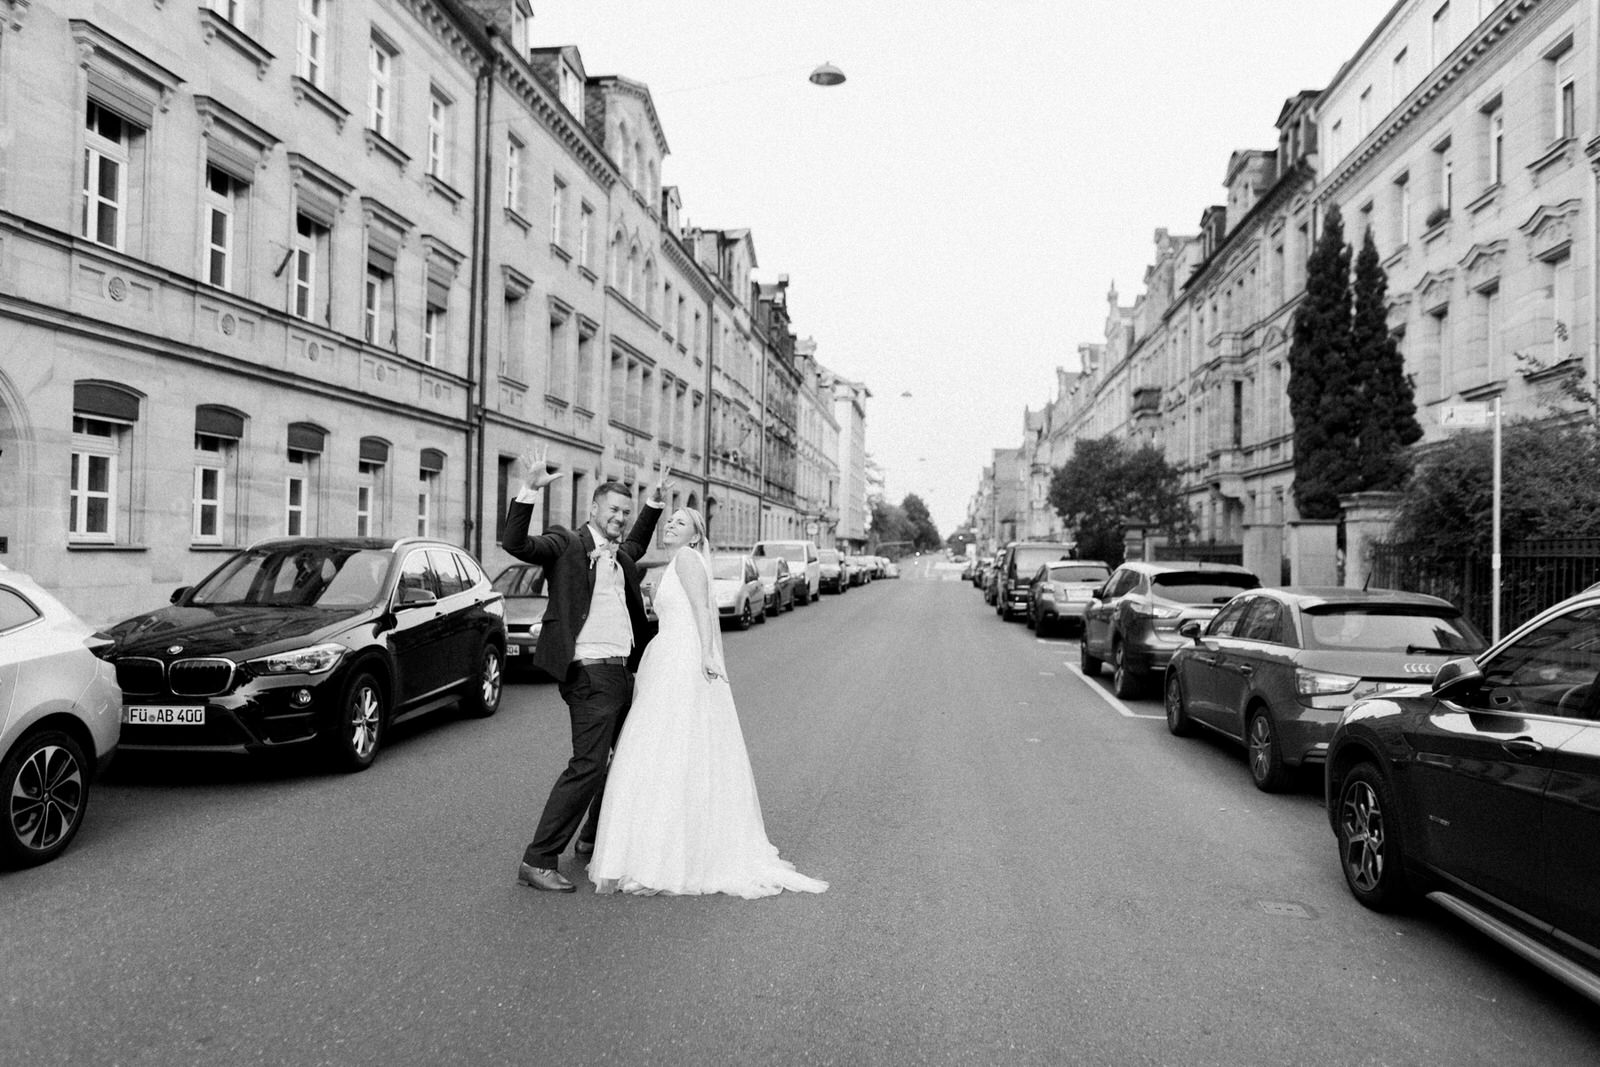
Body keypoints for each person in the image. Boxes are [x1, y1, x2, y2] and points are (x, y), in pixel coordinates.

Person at [587, 507, 827, 898]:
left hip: (682, 659)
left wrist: (706, 653)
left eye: (680, 523)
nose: (671, 525)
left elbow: (701, 608)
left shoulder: (686, 558)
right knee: (669, 748)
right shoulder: (677, 562)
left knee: (670, 746)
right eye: (670, 520)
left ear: (696, 537)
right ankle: (661, 848)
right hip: (668, 655)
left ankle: (664, 854)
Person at [502, 443, 670, 893]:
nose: (619, 518)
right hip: (589, 672)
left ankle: (593, 839)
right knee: (588, 765)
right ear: (593, 508)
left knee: (624, 761)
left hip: (622, 673)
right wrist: (528, 490)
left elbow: (636, 542)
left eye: (625, 512)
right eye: (613, 509)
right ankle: (538, 859)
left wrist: (653, 505)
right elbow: (517, 544)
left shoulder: (620, 554)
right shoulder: (568, 544)